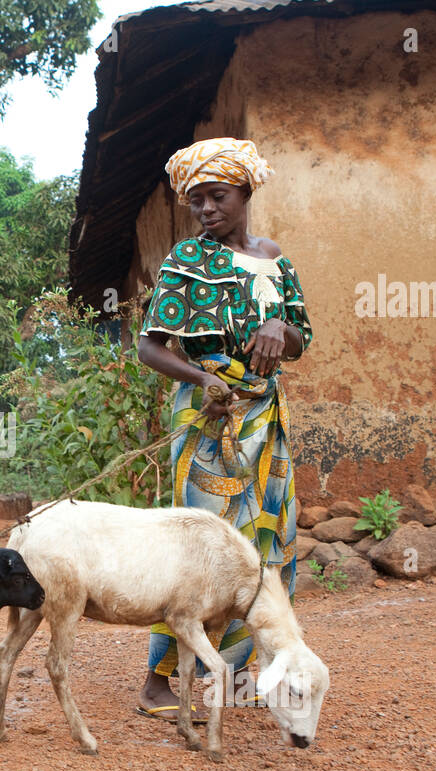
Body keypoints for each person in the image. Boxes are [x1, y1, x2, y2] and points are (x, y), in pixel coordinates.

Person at [133, 138, 313, 721]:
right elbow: (149, 347)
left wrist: (277, 327)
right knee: (204, 548)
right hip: (209, 415)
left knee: (268, 538)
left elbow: (301, 341)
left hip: (265, 417)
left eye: (218, 197)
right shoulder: (186, 260)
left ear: (245, 193)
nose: (207, 209)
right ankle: (161, 680)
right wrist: (202, 379)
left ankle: (234, 672)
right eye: (197, 201)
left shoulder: (275, 258)